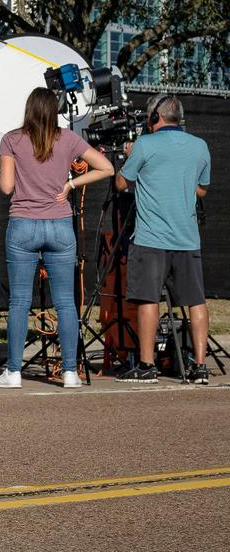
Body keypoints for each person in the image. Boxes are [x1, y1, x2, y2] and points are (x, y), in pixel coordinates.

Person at [0, 87, 114, 390]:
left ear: (29, 108)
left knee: (20, 301)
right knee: (66, 303)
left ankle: (14, 372)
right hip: (60, 225)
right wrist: (71, 183)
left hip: (23, 225)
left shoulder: (11, 139)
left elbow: (6, 188)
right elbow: (107, 168)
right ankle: (71, 372)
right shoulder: (69, 139)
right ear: (54, 110)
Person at [113, 94, 212, 384]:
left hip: (151, 238)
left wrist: (131, 156)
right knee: (196, 300)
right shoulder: (200, 146)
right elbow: (202, 190)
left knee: (147, 299)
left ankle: (146, 365)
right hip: (187, 238)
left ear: (154, 118)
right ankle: (200, 366)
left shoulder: (145, 144)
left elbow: (121, 183)